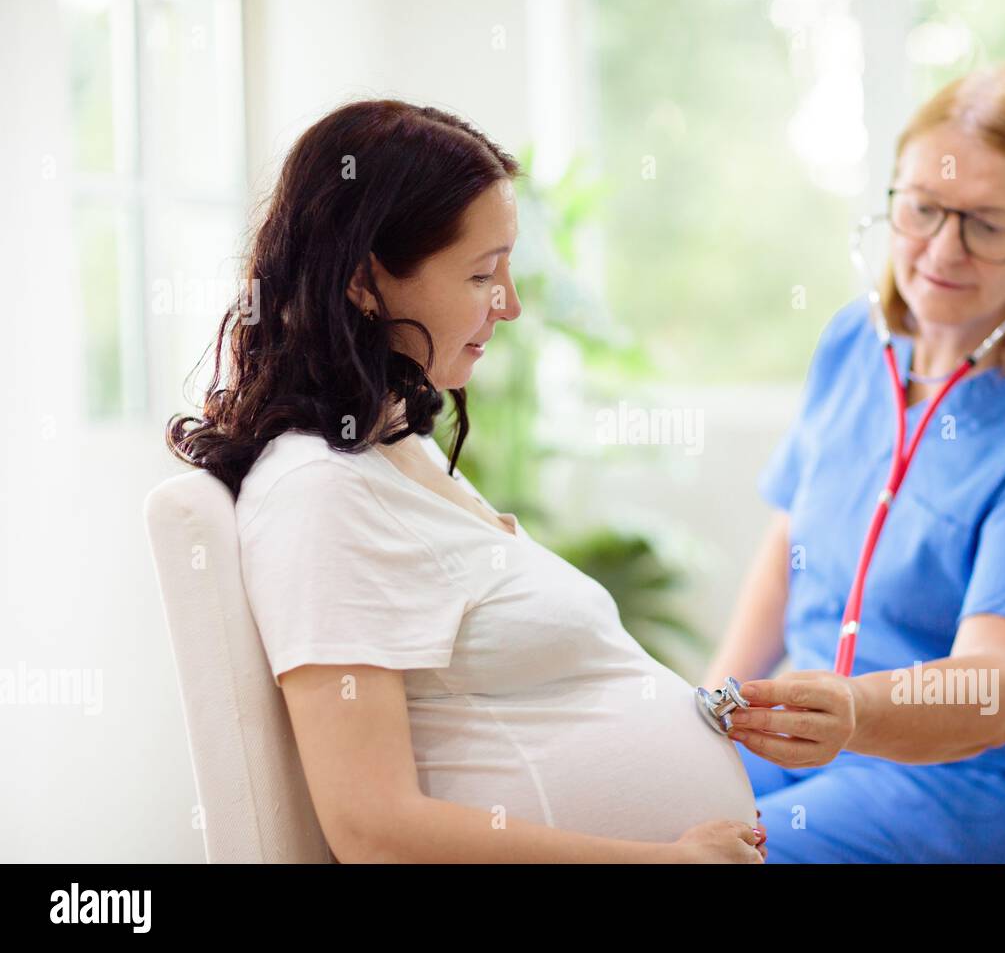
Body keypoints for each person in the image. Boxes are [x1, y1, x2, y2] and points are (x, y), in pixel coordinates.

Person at [167, 99, 765, 863]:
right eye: (482, 274)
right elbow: (371, 830)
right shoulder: (319, 494)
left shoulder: (394, 450)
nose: (509, 306)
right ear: (362, 281)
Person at [704, 64, 1005, 863]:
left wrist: (857, 711)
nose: (942, 248)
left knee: (732, 855)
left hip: (1000, 775)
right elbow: (786, 551)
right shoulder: (851, 345)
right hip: (830, 743)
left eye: (988, 224)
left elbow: (996, 683)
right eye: (923, 209)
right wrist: (702, 716)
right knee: (630, 813)